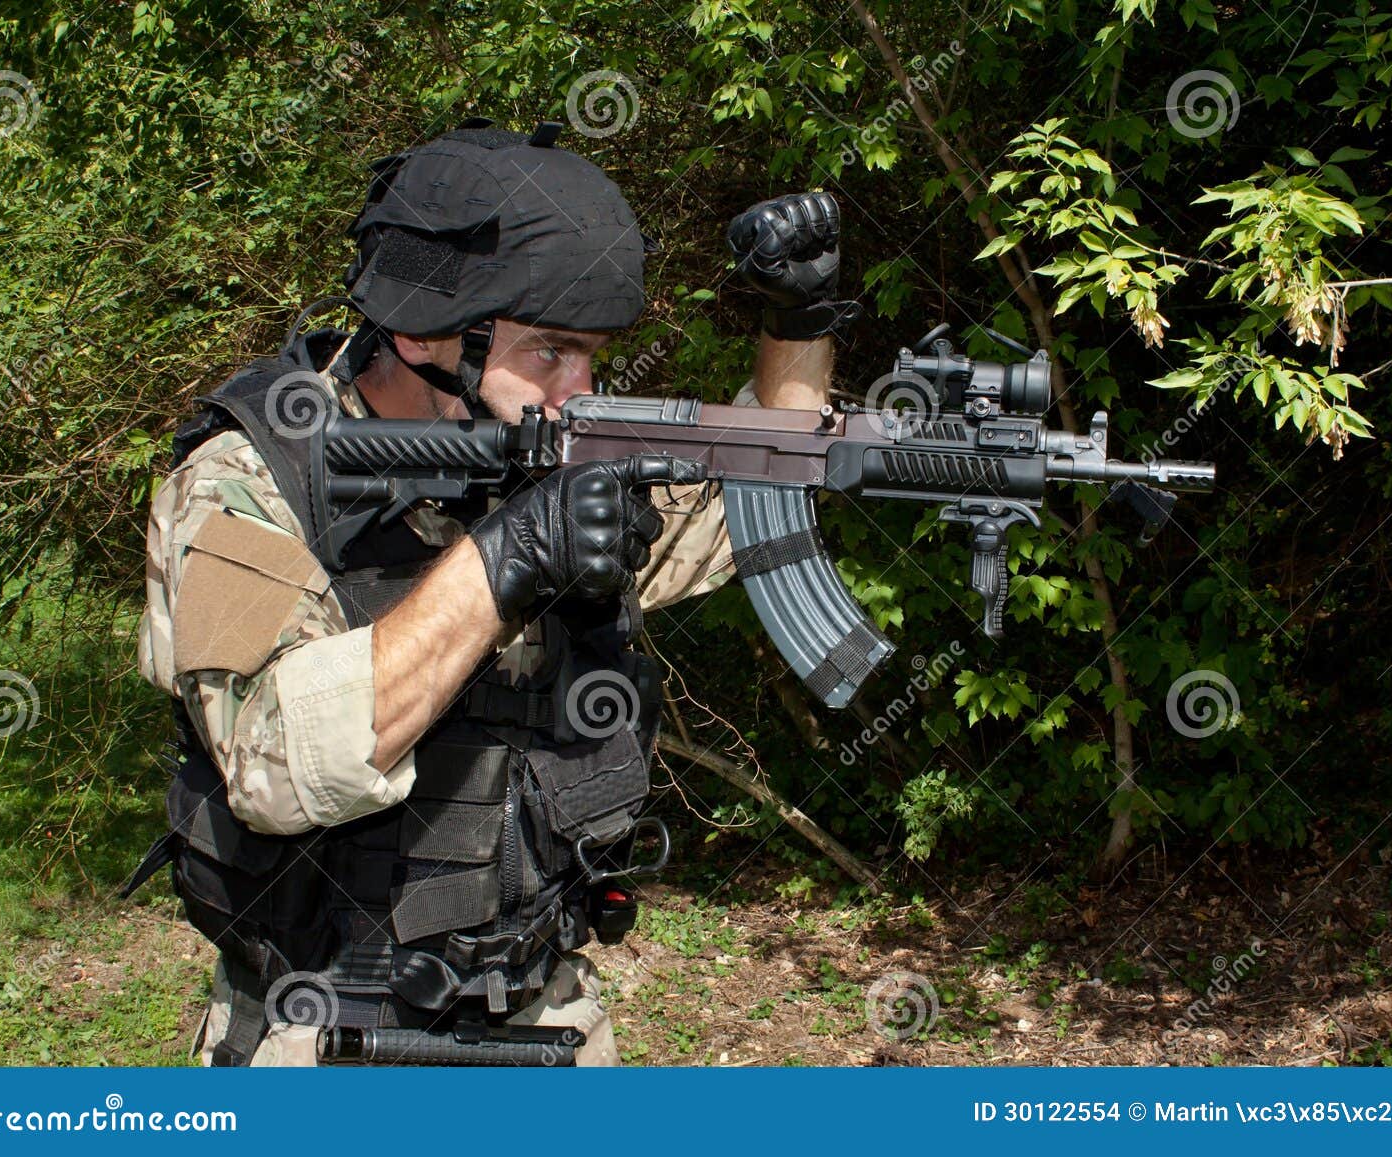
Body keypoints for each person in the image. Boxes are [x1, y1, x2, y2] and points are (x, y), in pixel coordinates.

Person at [128, 118, 859, 1066]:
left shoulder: (549, 458)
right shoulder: (249, 478)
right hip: (324, 1035)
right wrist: (502, 560)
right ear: (424, 332)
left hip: (545, 1022)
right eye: (550, 351)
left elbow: (759, 501)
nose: (580, 390)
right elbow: (271, 763)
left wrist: (797, 329)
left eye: (594, 354)